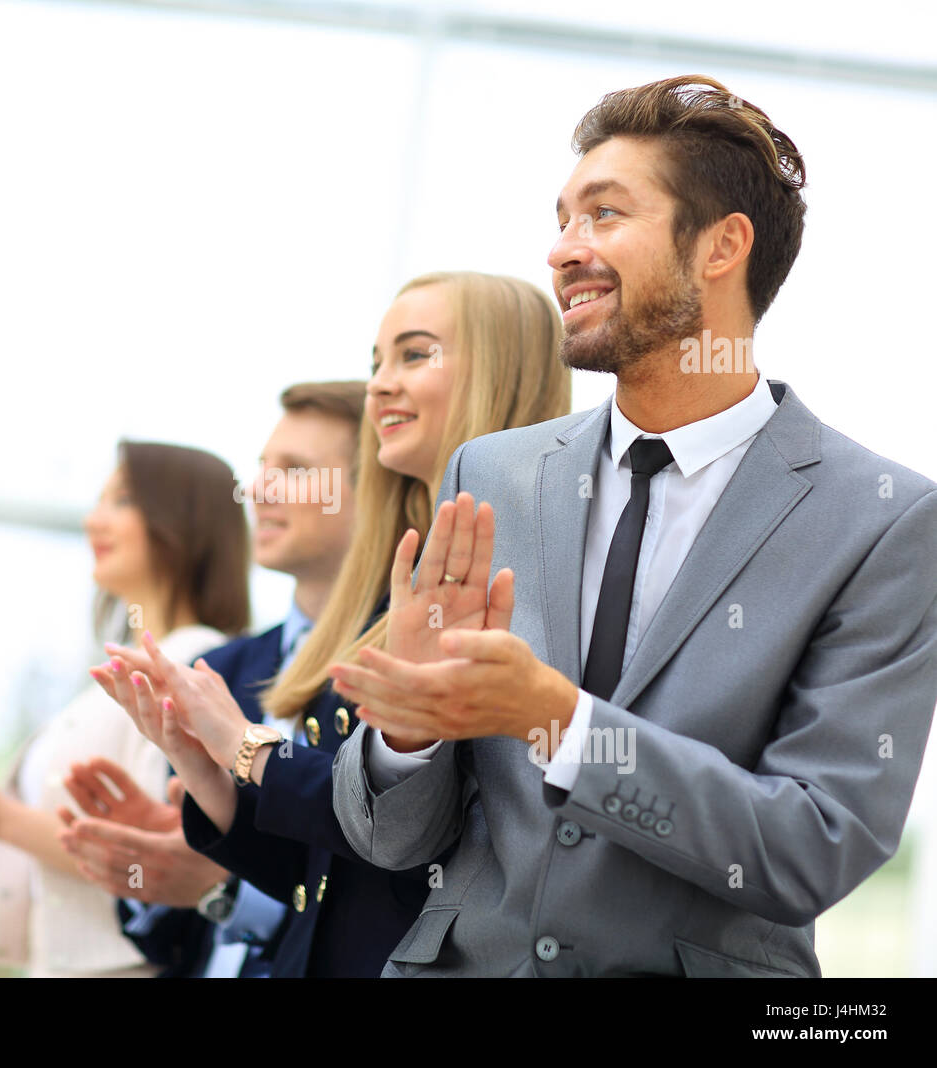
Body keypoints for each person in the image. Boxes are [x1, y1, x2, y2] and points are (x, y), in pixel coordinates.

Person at [328, 75, 937, 977]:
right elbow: (393, 842)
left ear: (724, 245)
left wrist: (560, 721)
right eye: (563, 219)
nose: (562, 251)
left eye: (604, 215)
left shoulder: (881, 521)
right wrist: (410, 734)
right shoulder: (490, 472)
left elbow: (812, 846)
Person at [93, 271, 571, 976]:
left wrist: (245, 748)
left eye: (413, 356)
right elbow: (333, 874)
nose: (378, 385)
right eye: (376, 362)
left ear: (499, 372)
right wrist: (211, 772)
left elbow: (427, 851)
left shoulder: (540, 585)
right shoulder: (396, 599)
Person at [0, 441, 248, 977]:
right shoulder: (108, 679)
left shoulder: (198, 664)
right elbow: (55, 844)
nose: (95, 520)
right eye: (98, 501)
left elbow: (160, 856)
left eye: (122, 500)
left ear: (181, 519)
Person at [60, 380, 366, 977]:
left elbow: (370, 888)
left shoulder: (390, 670)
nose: (258, 490)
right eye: (261, 467)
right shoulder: (222, 670)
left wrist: (224, 884)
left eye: (296, 470)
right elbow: (179, 939)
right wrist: (156, 860)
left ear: (374, 492)